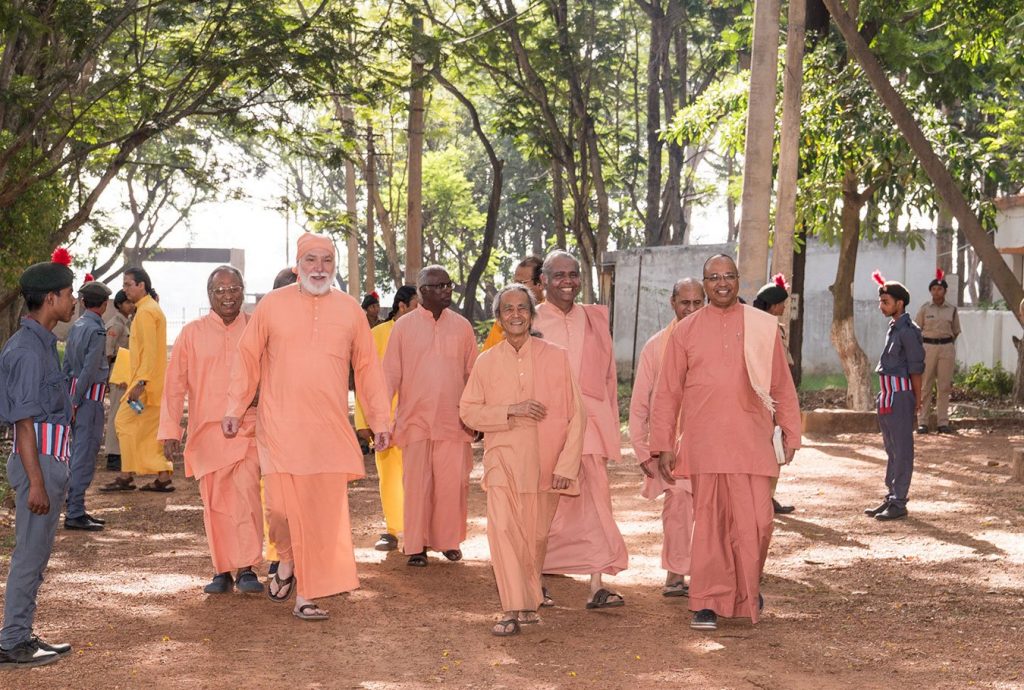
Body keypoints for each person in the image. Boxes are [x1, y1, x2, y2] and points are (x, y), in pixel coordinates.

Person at [223, 232, 392, 621]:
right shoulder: (273, 305)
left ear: (335, 266)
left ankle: (308, 595)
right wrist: (234, 406)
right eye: (311, 260)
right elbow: (247, 357)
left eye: (327, 261)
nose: (319, 268)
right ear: (298, 265)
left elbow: (367, 368)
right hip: (279, 426)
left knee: (320, 516)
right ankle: (286, 560)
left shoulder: (350, 310)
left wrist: (380, 419)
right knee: (280, 510)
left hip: (328, 431)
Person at [649, 254, 801, 631]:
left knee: (759, 523)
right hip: (705, 441)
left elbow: (782, 384)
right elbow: (667, 391)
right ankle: (706, 601)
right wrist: (663, 442)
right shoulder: (685, 331)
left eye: (728, 276)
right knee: (712, 527)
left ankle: (747, 587)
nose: (722, 283)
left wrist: (791, 430)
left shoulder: (762, 327)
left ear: (737, 280)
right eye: (713, 277)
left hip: (751, 441)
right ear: (704, 284)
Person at [460, 284, 585, 636]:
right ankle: (513, 608)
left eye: (522, 308)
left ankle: (528, 602)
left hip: (546, 463)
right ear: (498, 318)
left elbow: (578, 414)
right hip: (503, 462)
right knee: (502, 531)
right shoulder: (486, 361)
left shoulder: (556, 356)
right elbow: (468, 411)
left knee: (535, 538)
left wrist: (566, 465)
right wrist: (510, 411)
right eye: (508, 309)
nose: (515, 314)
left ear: (531, 315)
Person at [159, 266, 265, 595]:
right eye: (221, 291)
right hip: (206, 432)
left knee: (247, 496)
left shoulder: (257, 330)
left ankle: (246, 567)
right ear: (210, 296)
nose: (229, 295)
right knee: (215, 504)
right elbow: (174, 385)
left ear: (243, 292)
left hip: (249, 429)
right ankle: (222, 569)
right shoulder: (191, 333)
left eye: (235, 289)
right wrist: (170, 430)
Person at [534, 250, 628, 609]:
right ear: (543, 281)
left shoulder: (594, 318)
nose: (568, 282)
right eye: (559, 275)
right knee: (545, 504)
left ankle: (597, 584)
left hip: (588, 422)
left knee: (596, 502)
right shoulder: (530, 318)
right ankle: (535, 578)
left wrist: (609, 427)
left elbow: (607, 378)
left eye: (573, 275)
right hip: (546, 425)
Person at [0, 250, 77, 668]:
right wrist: (37, 482)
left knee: (35, 553)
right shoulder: (28, 350)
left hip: (48, 458)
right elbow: (25, 423)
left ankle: (21, 633)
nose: (73, 302)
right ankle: (12, 641)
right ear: (51, 299)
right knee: (29, 555)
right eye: (69, 294)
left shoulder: (41, 344)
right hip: (39, 460)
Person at [383, 266, 478, 567]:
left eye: (449, 285)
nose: (447, 290)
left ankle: (448, 542)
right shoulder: (403, 327)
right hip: (415, 419)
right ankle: (416, 546)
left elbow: (473, 374)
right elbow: (389, 375)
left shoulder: (462, 327)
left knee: (452, 485)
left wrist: (477, 415)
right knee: (417, 486)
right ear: (423, 291)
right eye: (439, 286)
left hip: (455, 420)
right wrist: (380, 419)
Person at [628, 277, 704, 597]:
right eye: (684, 302)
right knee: (678, 507)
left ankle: (710, 574)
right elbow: (640, 402)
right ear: (673, 303)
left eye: (697, 303)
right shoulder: (656, 345)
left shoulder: (717, 342)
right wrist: (643, 450)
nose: (690, 309)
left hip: (712, 444)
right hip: (672, 448)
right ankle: (675, 575)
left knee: (712, 510)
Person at [354, 285, 419, 552]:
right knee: (390, 477)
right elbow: (364, 378)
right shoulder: (377, 334)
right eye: (417, 305)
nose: (422, 312)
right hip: (385, 420)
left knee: (419, 476)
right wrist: (362, 421)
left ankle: (421, 530)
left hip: (418, 418)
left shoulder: (423, 333)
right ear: (401, 306)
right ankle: (393, 531)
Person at [102, 267, 172, 492]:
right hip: (151, 383)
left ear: (141, 285)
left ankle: (128, 475)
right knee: (147, 430)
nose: (124, 289)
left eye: (127, 285)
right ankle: (158, 475)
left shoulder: (146, 312)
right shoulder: (149, 310)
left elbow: (150, 352)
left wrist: (141, 383)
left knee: (123, 422)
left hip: (146, 385)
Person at [866, 271, 924, 521]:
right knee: (891, 449)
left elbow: (915, 369)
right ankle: (891, 496)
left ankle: (900, 501)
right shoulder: (893, 328)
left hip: (900, 396)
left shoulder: (909, 331)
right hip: (887, 396)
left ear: (899, 303)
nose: (882, 306)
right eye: (881, 302)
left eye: (886, 302)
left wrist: (917, 399)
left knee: (902, 449)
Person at [62, 279, 112, 531]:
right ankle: (74, 511)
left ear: (83, 302)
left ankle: (76, 507)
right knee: (84, 455)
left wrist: (69, 399)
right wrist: (76, 400)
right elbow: (90, 370)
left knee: (76, 453)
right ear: (103, 305)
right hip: (88, 399)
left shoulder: (77, 326)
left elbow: (68, 367)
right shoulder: (97, 330)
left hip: (75, 396)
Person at [752, 274, 798, 515]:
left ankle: (767, 496)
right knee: (772, 448)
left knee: (773, 447)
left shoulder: (764, 326)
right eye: (781, 303)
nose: (783, 307)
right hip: (767, 397)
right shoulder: (765, 328)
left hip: (768, 394)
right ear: (772, 305)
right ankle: (765, 497)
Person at [914, 268, 960, 434]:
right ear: (930, 291)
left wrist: (945, 344)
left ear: (945, 291)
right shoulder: (925, 309)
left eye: (939, 289)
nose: (936, 291)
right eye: (933, 289)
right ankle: (923, 422)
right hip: (928, 348)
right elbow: (916, 328)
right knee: (926, 385)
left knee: (944, 387)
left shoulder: (952, 310)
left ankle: (943, 422)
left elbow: (955, 331)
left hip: (946, 349)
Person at [481, 256, 545, 352]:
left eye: (521, 282)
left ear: (541, 283)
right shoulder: (505, 320)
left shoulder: (555, 315)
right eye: (514, 282)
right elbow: (487, 356)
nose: (515, 287)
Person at [103, 289, 133, 471]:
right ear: (120, 304)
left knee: (123, 413)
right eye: (128, 302)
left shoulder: (126, 322)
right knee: (115, 413)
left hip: (124, 370)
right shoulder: (115, 325)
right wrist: (107, 377)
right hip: (117, 370)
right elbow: (108, 352)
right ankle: (113, 455)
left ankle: (120, 452)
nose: (131, 305)